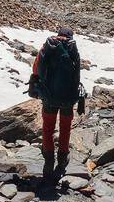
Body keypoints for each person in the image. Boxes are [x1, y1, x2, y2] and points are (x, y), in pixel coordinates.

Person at [28, 26, 84, 189]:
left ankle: (48, 161)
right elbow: (77, 75)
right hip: (68, 97)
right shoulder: (73, 48)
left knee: (47, 128)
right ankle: (62, 159)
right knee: (65, 128)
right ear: (70, 36)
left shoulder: (47, 47)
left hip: (49, 96)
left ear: (58, 34)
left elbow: (36, 68)